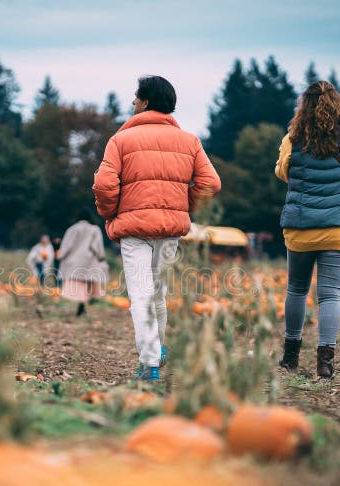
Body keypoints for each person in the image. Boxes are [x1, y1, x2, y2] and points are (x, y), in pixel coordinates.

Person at [93, 75, 221, 381]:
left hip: (134, 230)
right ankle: (159, 349)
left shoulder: (120, 140)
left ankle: (150, 363)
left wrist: (110, 213)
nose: (133, 102)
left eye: (136, 97)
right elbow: (210, 183)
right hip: (169, 231)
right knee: (158, 295)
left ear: (146, 102)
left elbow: (103, 184)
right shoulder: (189, 142)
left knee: (140, 296)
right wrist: (184, 205)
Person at [275, 80, 340, 379]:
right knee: (330, 296)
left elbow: (282, 172)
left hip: (301, 228)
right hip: (339, 229)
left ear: (305, 107)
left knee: (296, 290)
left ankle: (290, 357)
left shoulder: (293, 138)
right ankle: (325, 363)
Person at [58, 209, 109, 316]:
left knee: (79, 283)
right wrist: (101, 257)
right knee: (87, 284)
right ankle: (82, 305)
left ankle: (81, 306)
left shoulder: (72, 229)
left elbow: (67, 245)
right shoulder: (94, 229)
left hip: (74, 261)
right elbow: (97, 246)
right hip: (89, 260)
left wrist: (61, 255)